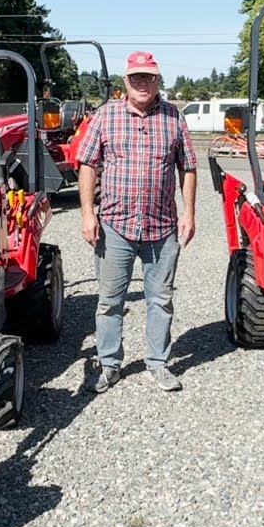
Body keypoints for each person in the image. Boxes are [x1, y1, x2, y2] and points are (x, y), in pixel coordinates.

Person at [75, 51, 197, 394]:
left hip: (162, 228)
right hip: (115, 226)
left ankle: (157, 363)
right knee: (110, 300)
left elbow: (188, 167)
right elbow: (87, 164)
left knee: (161, 299)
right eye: (136, 78)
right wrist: (88, 213)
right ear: (125, 81)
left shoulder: (174, 117)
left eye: (149, 77)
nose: (143, 83)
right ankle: (110, 364)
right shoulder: (105, 116)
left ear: (159, 80)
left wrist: (189, 213)